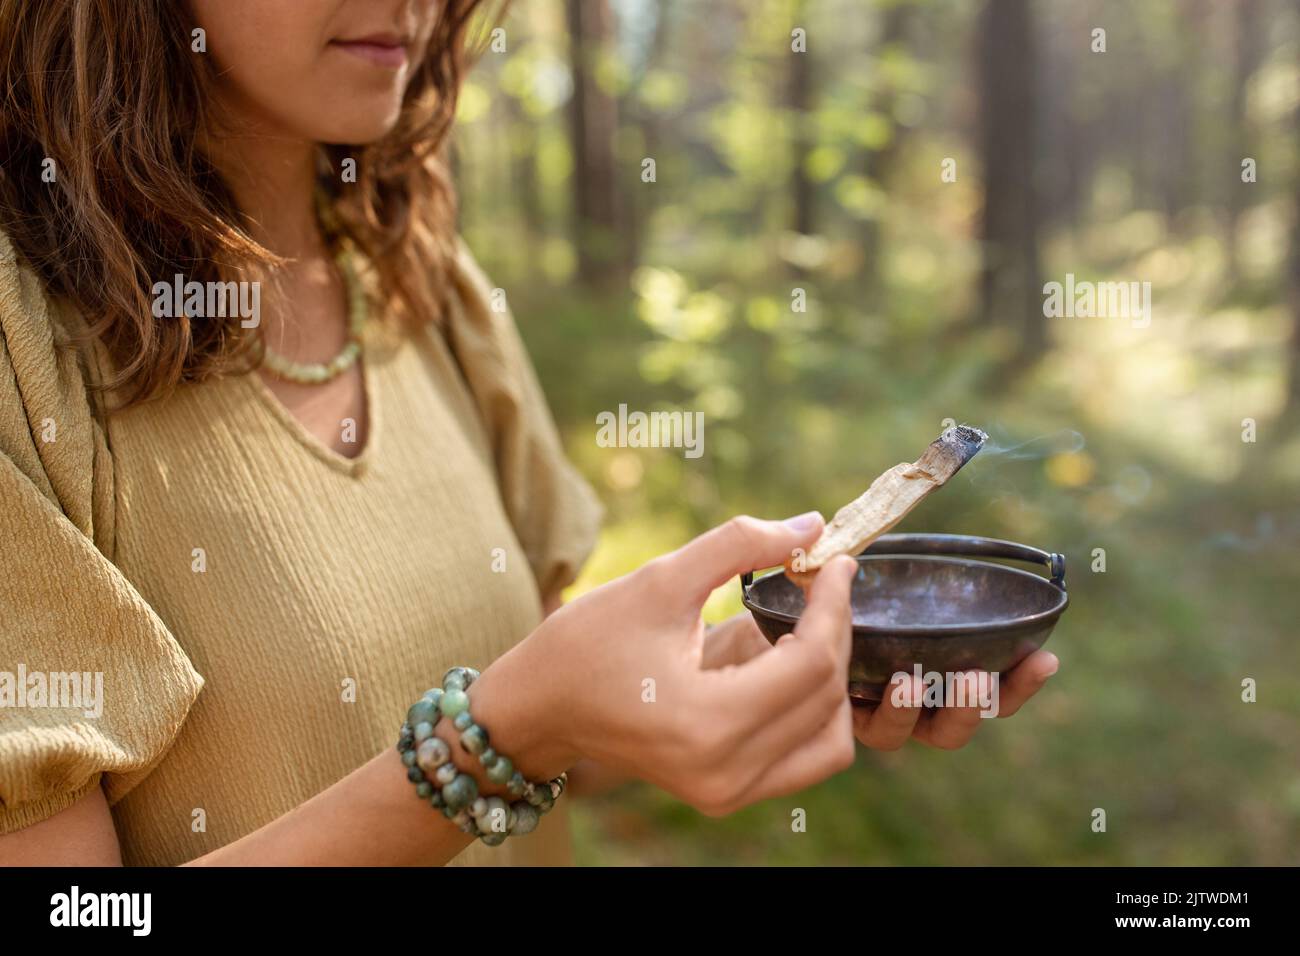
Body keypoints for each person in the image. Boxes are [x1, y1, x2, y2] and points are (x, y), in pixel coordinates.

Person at [0, 0, 1057, 866]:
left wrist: (743, 667)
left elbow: (562, 723)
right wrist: (492, 739)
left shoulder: (421, 279)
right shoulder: (21, 349)